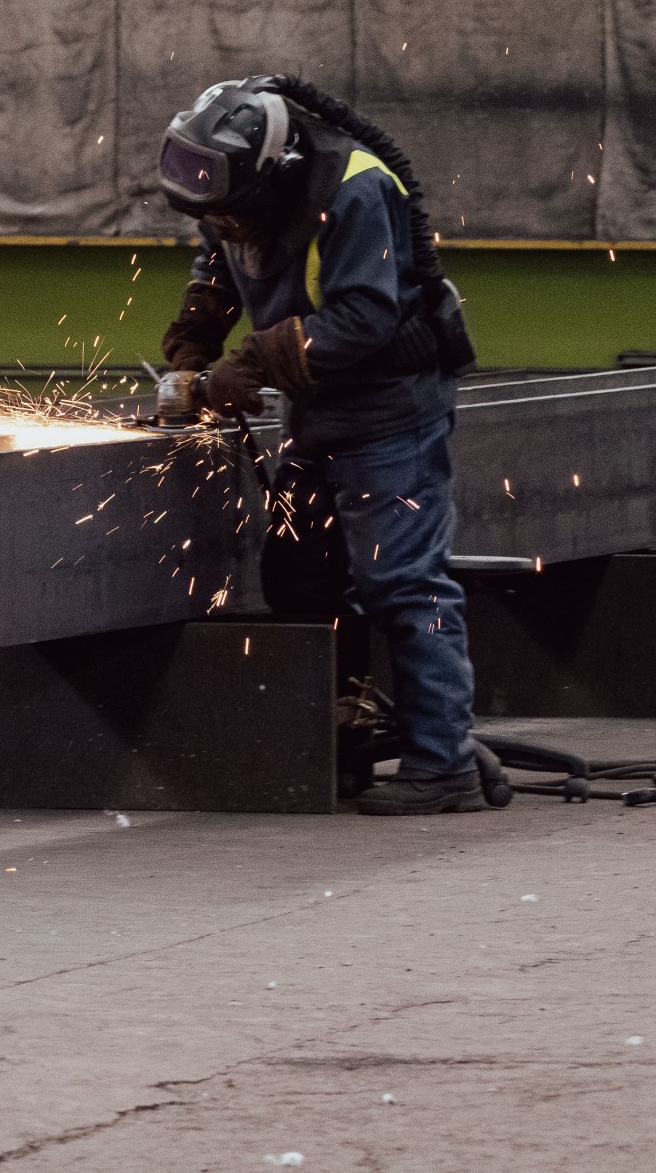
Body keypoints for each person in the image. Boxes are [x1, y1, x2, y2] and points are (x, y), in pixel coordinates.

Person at [154, 74, 488, 816]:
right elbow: (220, 257)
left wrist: (248, 363)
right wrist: (198, 334)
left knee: (401, 583)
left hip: (390, 412)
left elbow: (366, 317)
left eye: (231, 211)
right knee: (301, 575)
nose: (223, 223)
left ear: (273, 172)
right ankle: (338, 745)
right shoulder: (234, 188)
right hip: (317, 412)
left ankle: (445, 766)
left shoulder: (356, 189)